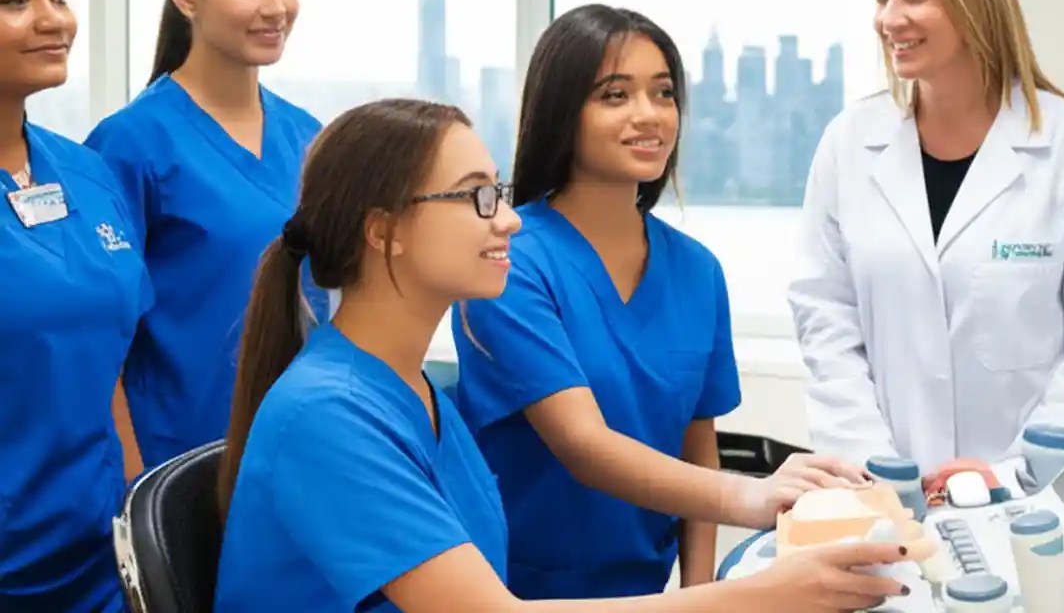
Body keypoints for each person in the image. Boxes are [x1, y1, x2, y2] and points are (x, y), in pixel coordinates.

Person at [213, 97, 914, 613]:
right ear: (383, 231)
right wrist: (762, 595)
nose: (509, 220)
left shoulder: (412, 395)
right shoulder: (328, 416)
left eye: (501, 193)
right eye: (475, 198)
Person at [449, 4, 863, 600]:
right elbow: (585, 447)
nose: (649, 115)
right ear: (563, 112)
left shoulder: (696, 271)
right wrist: (756, 497)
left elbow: (699, 448)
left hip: (649, 591)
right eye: (615, 95)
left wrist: (703, 593)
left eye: (663, 93)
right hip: (513, 591)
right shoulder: (509, 261)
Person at [789, 0, 1064, 483]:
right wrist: (873, 465)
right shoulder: (849, 145)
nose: (890, 17)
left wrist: (1015, 471)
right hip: (885, 495)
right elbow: (826, 323)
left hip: (1032, 499)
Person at [84, 0, 325, 472]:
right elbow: (99, 342)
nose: (275, 7)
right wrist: (136, 488)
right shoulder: (131, 145)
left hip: (302, 455)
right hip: (183, 466)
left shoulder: (309, 138)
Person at [0, 0, 151, 611]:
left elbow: (110, 366)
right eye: (14, 1)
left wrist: (135, 519)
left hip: (100, 564)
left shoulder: (88, 175)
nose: (53, 19)